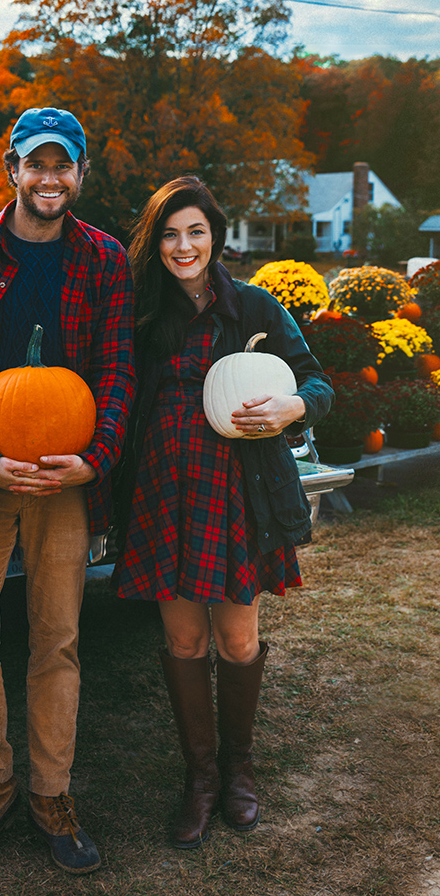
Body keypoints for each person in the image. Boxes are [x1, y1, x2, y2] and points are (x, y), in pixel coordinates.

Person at [0, 107, 135, 875]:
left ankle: (50, 790)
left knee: (58, 639)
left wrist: (97, 457)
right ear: (12, 169)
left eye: (64, 164)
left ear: (81, 173)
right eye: (36, 164)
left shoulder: (104, 259)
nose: (50, 178)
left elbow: (117, 371)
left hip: (66, 478)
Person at [112, 176, 333, 850]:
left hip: (235, 493)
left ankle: (239, 771)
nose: (184, 245)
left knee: (236, 640)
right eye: (171, 233)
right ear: (157, 242)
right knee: (184, 641)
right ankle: (199, 778)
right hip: (161, 493)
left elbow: (317, 380)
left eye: (196, 231)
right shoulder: (141, 311)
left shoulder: (253, 307)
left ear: (216, 236)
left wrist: (293, 407)